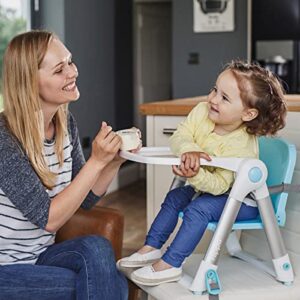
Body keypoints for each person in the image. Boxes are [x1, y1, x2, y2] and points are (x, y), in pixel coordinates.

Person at [119, 60, 287, 286]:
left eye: (224, 98)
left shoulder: (241, 145)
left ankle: (171, 264)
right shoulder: (202, 112)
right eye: (215, 89)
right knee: (175, 197)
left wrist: (193, 174)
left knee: (198, 209)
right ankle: (151, 247)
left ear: (248, 114)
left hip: (242, 202)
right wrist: (189, 150)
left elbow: (219, 185)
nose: (213, 99)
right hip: (210, 192)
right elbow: (180, 136)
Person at [0, 30, 132, 299]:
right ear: (29, 82)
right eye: (59, 70)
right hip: (4, 269)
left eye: (70, 62)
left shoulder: (64, 124)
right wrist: (96, 162)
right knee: (108, 283)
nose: (73, 72)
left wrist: (113, 161)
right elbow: (50, 219)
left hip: (39, 256)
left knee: (97, 250)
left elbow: (82, 199)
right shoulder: (5, 138)